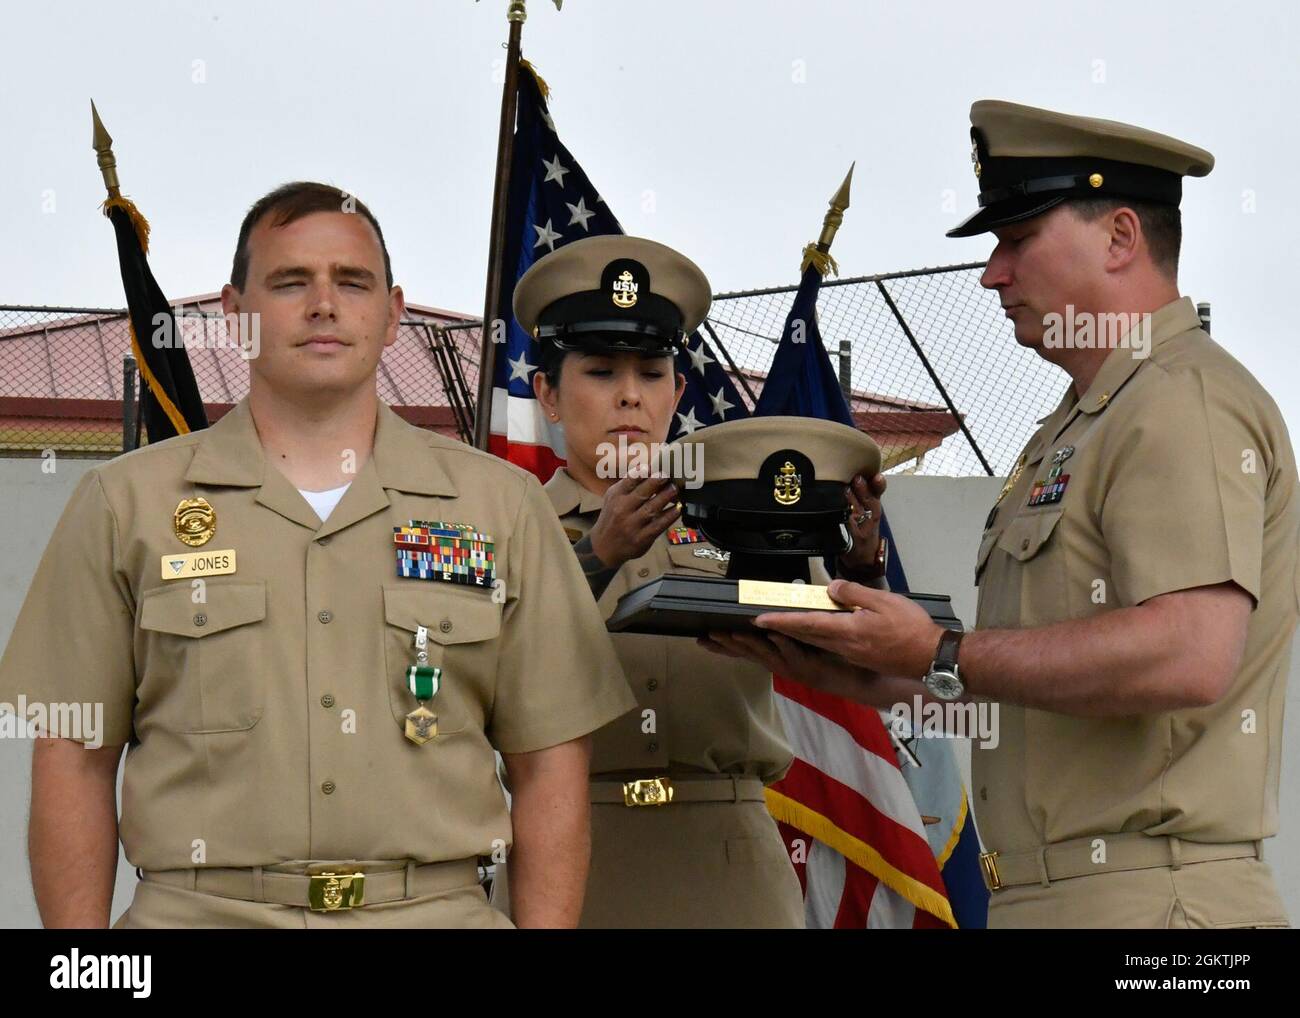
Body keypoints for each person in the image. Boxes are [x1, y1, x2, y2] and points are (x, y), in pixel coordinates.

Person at [704, 101, 1299, 929]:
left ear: (1120, 237)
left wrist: (943, 647)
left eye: (1018, 238)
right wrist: (859, 675)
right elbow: (1029, 698)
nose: (993, 271)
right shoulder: (1079, 425)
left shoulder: (1178, 402)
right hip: (1067, 898)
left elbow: (1191, 656)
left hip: (1153, 909)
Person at [0, 181, 635, 928]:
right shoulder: (126, 505)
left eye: (352, 282)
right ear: (235, 316)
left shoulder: (500, 508)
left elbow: (551, 766)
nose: (324, 304)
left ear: (393, 314)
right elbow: (74, 760)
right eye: (290, 281)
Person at [489, 234, 888, 927]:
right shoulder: (505, 522)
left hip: (730, 861)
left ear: (678, 390)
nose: (628, 398)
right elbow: (488, 667)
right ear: (548, 395)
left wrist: (859, 567)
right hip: (573, 850)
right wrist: (598, 557)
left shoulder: (739, 512)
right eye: (601, 373)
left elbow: (845, 660)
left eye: (649, 373)